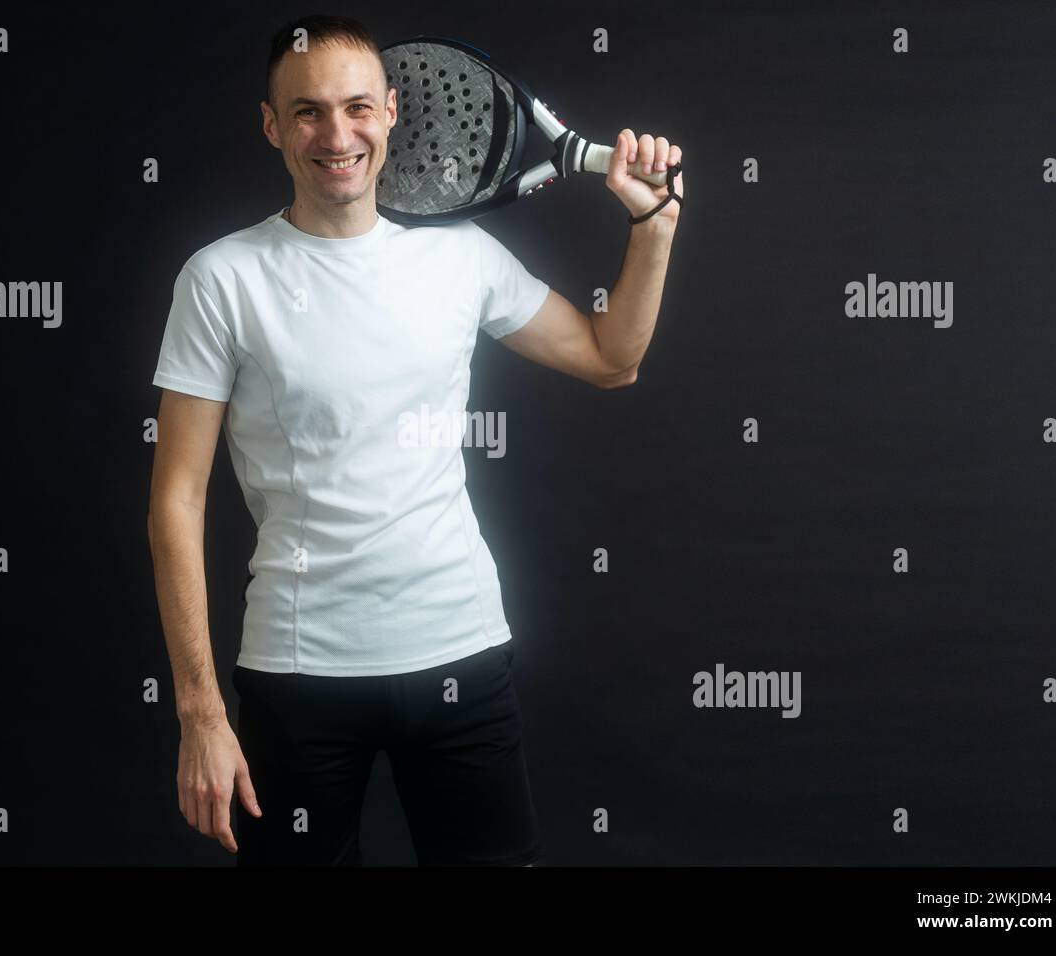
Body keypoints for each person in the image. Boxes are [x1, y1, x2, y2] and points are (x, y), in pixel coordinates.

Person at [146, 14, 683, 866]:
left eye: (358, 107)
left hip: (462, 655)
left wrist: (652, 229)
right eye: (309, 111)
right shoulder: (221, 279)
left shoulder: (460, 257)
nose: (337, 134)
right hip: (297, 676)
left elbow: (610, 359)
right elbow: (177, 497)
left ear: (393, 112)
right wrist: (201, 715)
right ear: (272, 125)